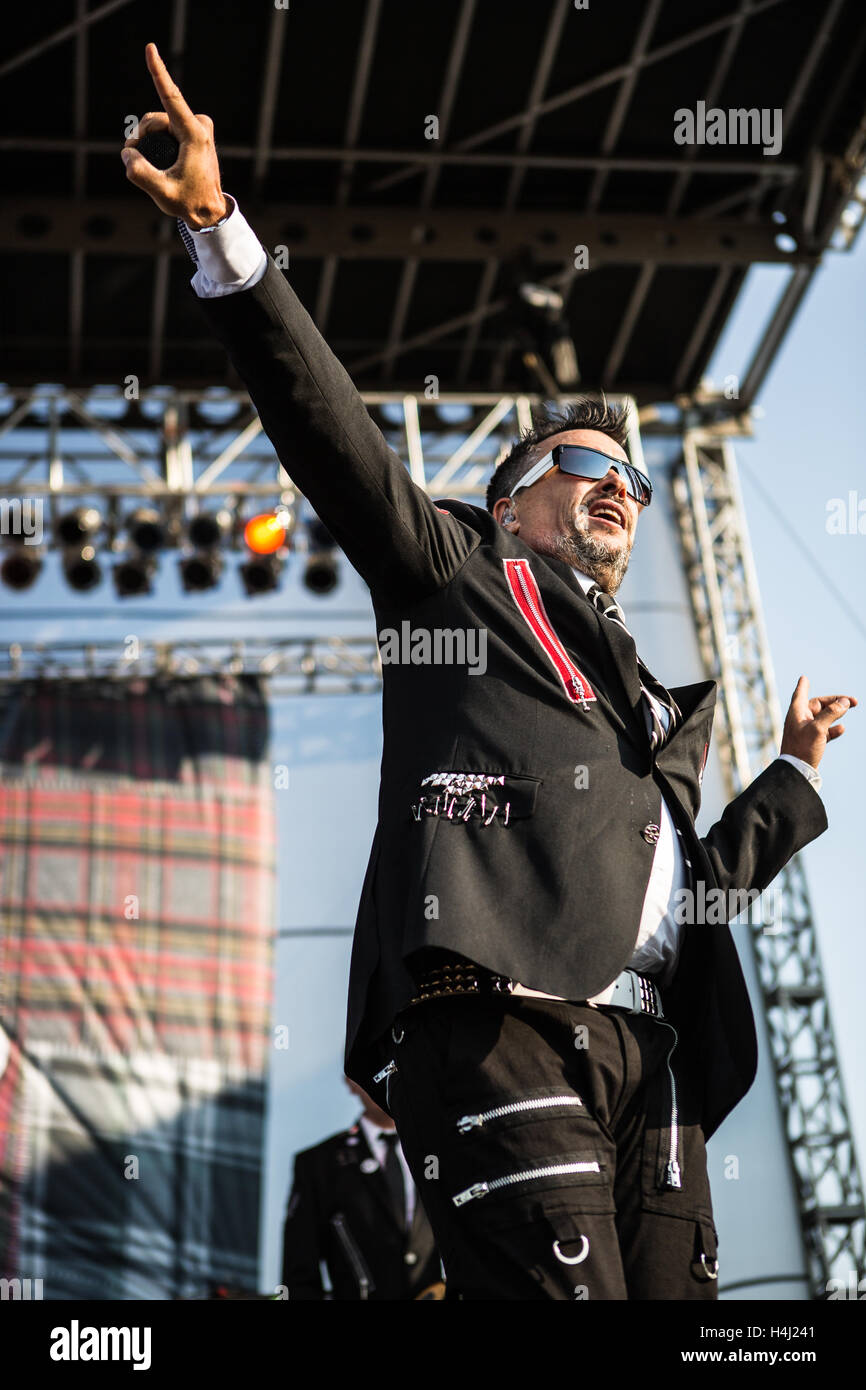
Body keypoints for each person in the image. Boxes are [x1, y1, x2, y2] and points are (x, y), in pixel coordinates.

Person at [122, 43, 857, 1299]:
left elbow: (688, 897)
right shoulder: (454, 576)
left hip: (655, 1060)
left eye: (631, 476)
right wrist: (218, 229)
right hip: (504, 1025)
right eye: (585, 466)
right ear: (510, 508)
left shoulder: (641, 704)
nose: (619, 485)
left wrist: (787, 773)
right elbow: (329, 428)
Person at [281, 1078, 442, 1300]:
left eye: (396, 1070)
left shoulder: (443, 1154)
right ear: (351, 1081)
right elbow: (299, 1276)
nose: (387, 1081)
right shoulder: (319, 1165)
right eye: (378, 1072)